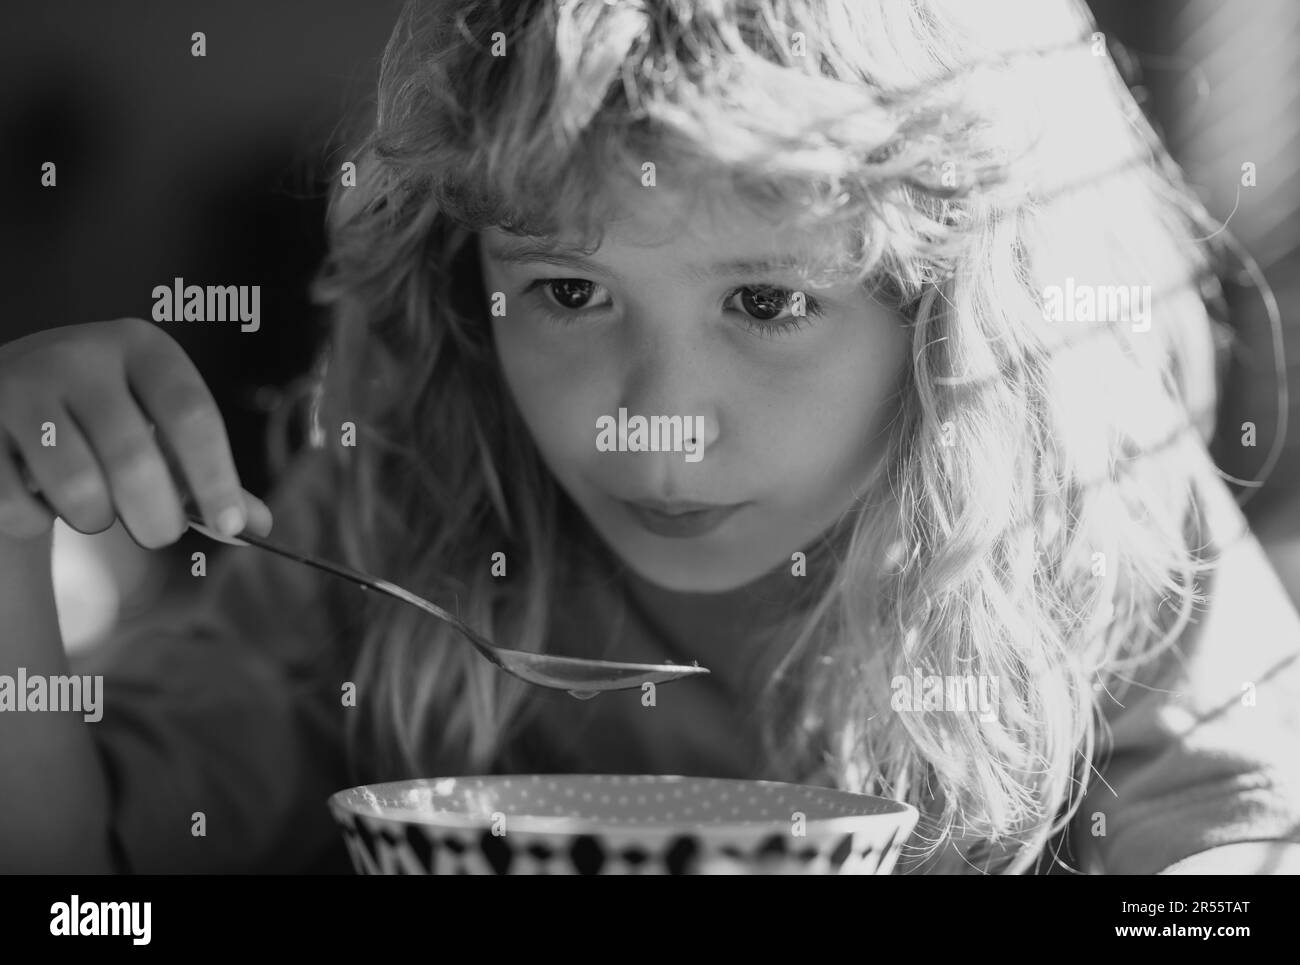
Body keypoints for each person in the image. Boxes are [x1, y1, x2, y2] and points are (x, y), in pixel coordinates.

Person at [2, 0, 1298, 875]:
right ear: (462, 281)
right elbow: (84, 874)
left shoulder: (1090, 519)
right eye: (569, 291)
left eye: (770, 300)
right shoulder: (403, 507)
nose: (652, 418)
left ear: (957, 308)